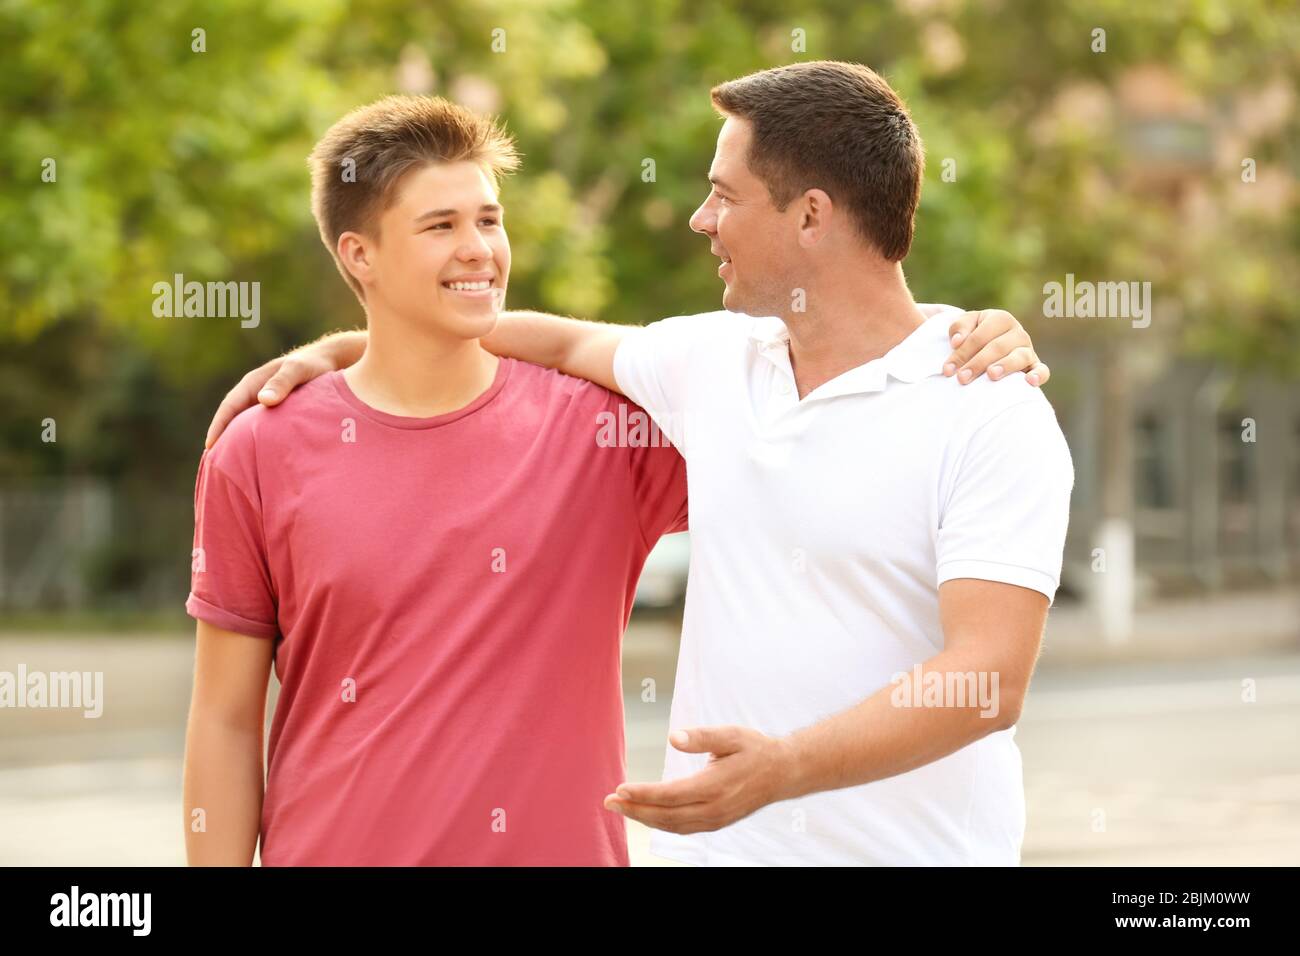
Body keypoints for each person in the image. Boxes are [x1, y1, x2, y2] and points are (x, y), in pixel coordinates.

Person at [200, 63, 1063, 866]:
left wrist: (783, 769)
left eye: (724, 195)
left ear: (810, 216)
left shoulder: (987, 407)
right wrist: (351, 349)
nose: (701, 218)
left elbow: (986, 680)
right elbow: (557, 338)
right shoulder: (713, 365)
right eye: (442, 225)